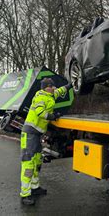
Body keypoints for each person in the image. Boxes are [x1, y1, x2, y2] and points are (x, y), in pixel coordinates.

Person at [20, 78, 72, 206]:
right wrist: (52, 116)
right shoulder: (40, 97)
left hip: (37, 134)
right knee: (28, 164)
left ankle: (35, 187)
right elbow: (40, 112)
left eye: (54, 86)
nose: (54, 88)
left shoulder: (50, 95)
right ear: (46, 87)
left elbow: (60, 91)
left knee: (37, 161)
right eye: (52, 86)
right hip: (30, 133)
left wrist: (70, 86)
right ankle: (25, 194)